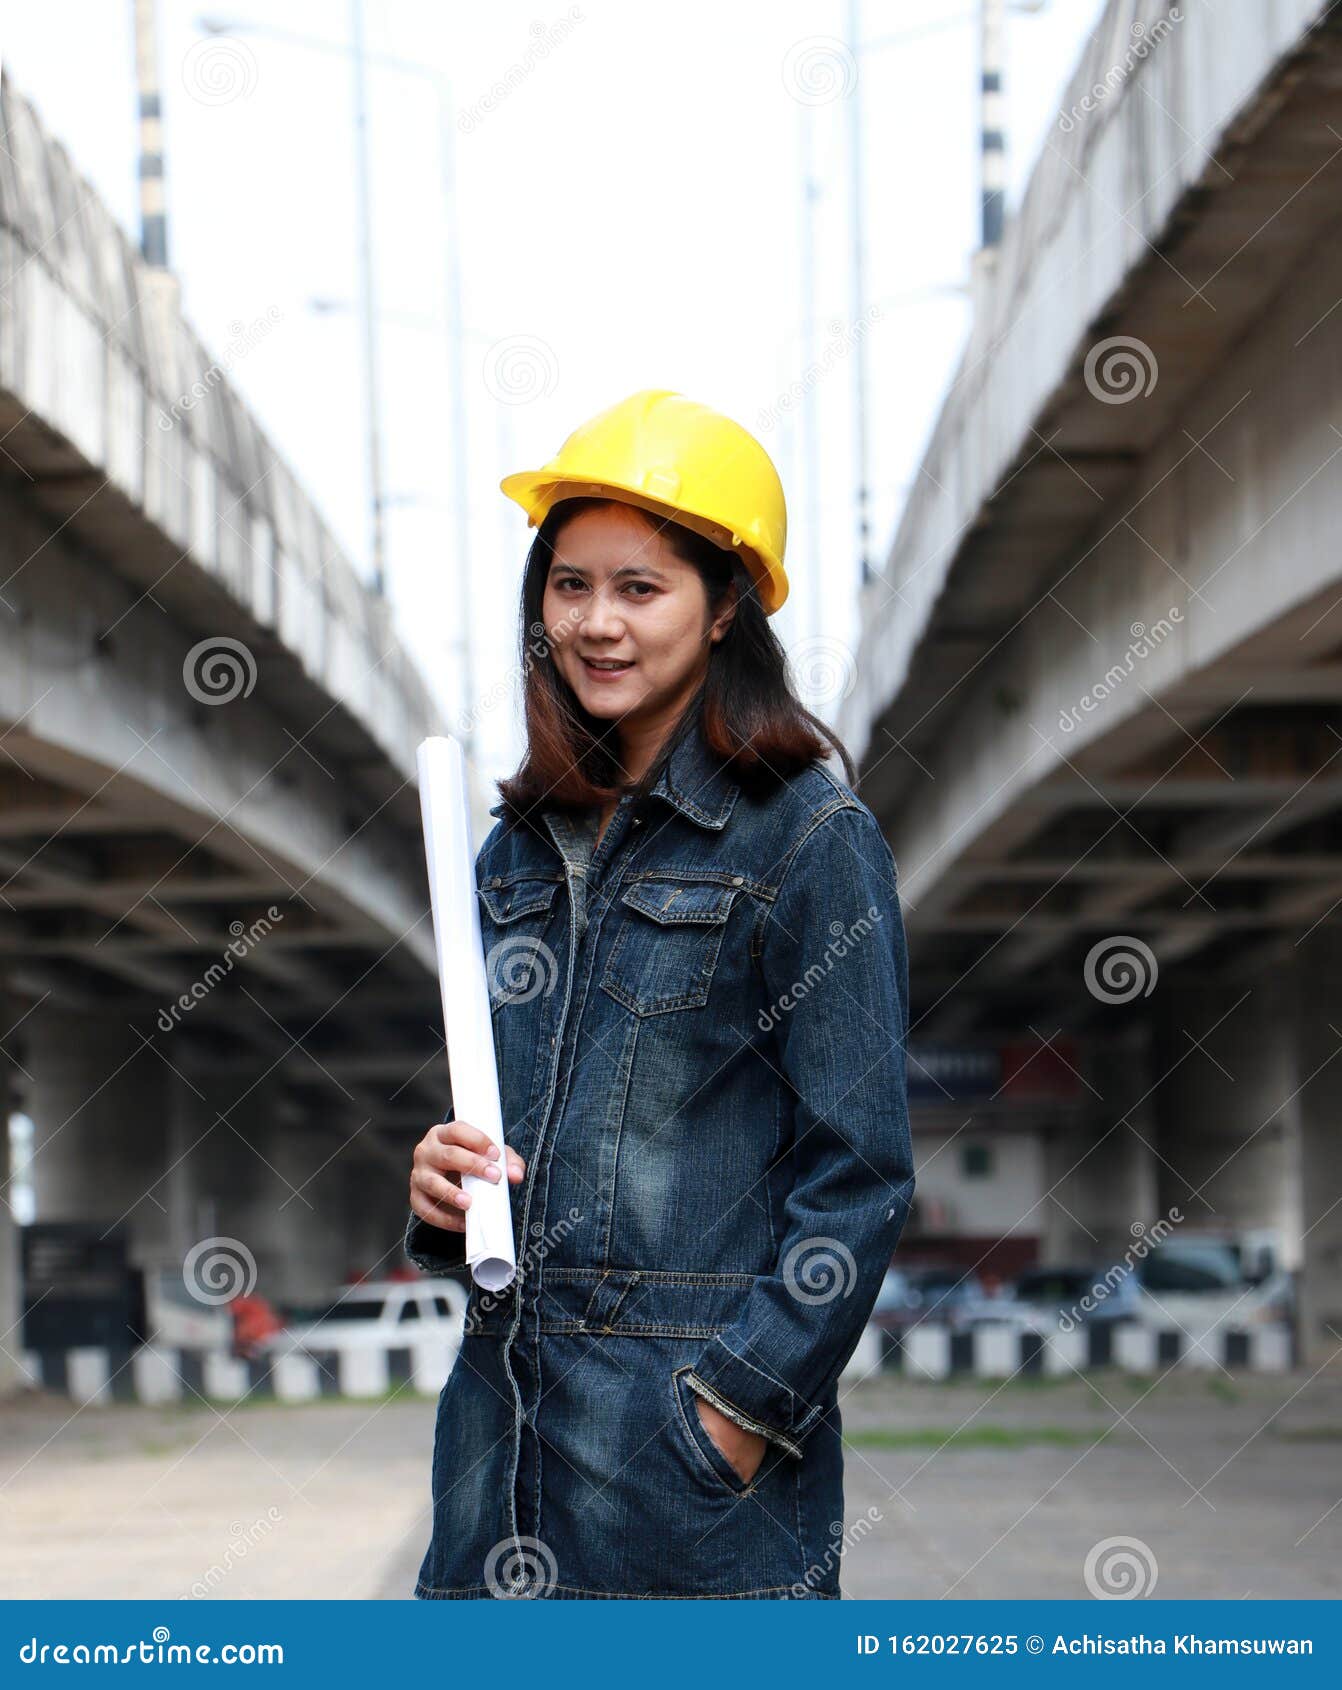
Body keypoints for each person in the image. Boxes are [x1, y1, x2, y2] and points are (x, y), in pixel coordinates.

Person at [404, 389, 915, 1599]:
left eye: (640, 588)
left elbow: (859, 1175)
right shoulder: (515, 851)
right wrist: (442, 1190)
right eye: (569, 585)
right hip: (494, 1455)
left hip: (685, 1490)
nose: (596, 622)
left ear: (725, 603)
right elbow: (515, 1136)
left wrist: (734, 1411)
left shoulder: (806, 836)